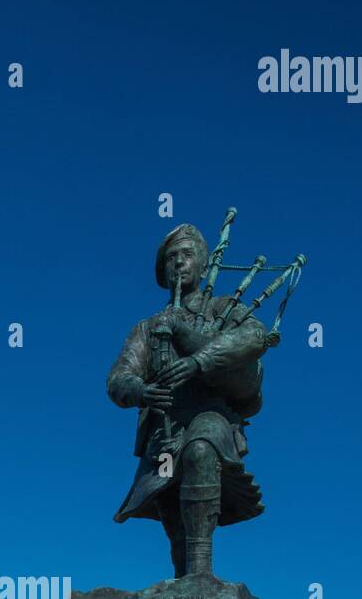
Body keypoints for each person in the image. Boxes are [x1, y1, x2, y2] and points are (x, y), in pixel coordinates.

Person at [107, 223, 270, 577]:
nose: (178, 263)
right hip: (164, 429)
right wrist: (141, 391)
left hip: (210, 416)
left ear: (204, 264)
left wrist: (197, 356)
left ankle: (200, 574)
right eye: (170, 259)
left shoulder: (224, 309)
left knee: (200, 450)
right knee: (168, 501)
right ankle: (186, 586)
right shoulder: (147, 328)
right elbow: (118, 378)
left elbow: (256, 337)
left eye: (186, 255)